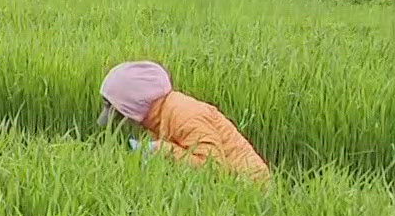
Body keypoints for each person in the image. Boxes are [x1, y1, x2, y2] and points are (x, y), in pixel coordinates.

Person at [97, 61, 269, 181]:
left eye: (120, 112)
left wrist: (163, 150)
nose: (124, 120)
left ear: (133, 103)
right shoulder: (158, 118)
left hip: (250, 187)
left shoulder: (186, 114)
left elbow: (213, 167)